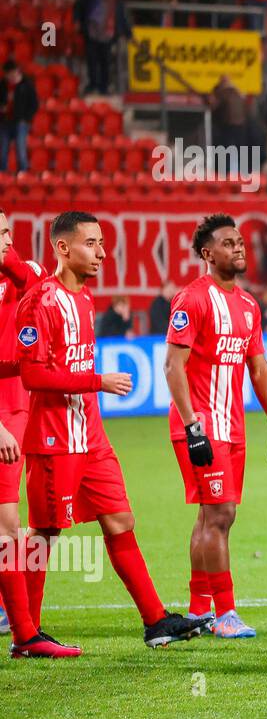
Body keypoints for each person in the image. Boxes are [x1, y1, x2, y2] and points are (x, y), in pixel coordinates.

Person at [18, 212, 208, 652]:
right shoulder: (40, 302)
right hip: (54, 438)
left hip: (92, 438)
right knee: (45, 532)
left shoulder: (85, 299)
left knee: (121, 520)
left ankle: (155, 620)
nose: (102, 253)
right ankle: (26, 632)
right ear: (63, 247)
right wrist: (97, 381)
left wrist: (92, 389)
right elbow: (33, 375)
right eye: (91, 243)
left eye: (102, 243)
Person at [164, 215, 267, 639]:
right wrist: (192, 426)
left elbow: (259, 368)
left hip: (233, 427)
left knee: (211, 516)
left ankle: (199, 609)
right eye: (228, 243)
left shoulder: (248, 304)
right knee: (221, 513)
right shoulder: (192, 299)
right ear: (207, 253)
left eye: (240, 242)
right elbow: (173, 366)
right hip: (202, 425)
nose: (238, 248)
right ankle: (225, 613)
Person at [0, 213, 79, 657]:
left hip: (16, 410)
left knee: (15, 526)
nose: (8, 239)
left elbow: (22, 272)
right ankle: (24, 633)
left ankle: (22, 627)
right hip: (3, 419)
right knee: (8, 528)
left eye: (8, 231)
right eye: (0, 233)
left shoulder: (27, 274)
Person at [0, 60, 38, 173]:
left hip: (20, 122)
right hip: (5, 121)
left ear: (17, 71)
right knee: (3, 149)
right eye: (8, 74)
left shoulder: (27, 85)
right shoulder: (2, 85)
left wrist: (25, 119)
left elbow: (34, 104)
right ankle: (2, 173)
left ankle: (23, 174)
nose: (10, 76)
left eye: (12, 73)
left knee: (21, 149)